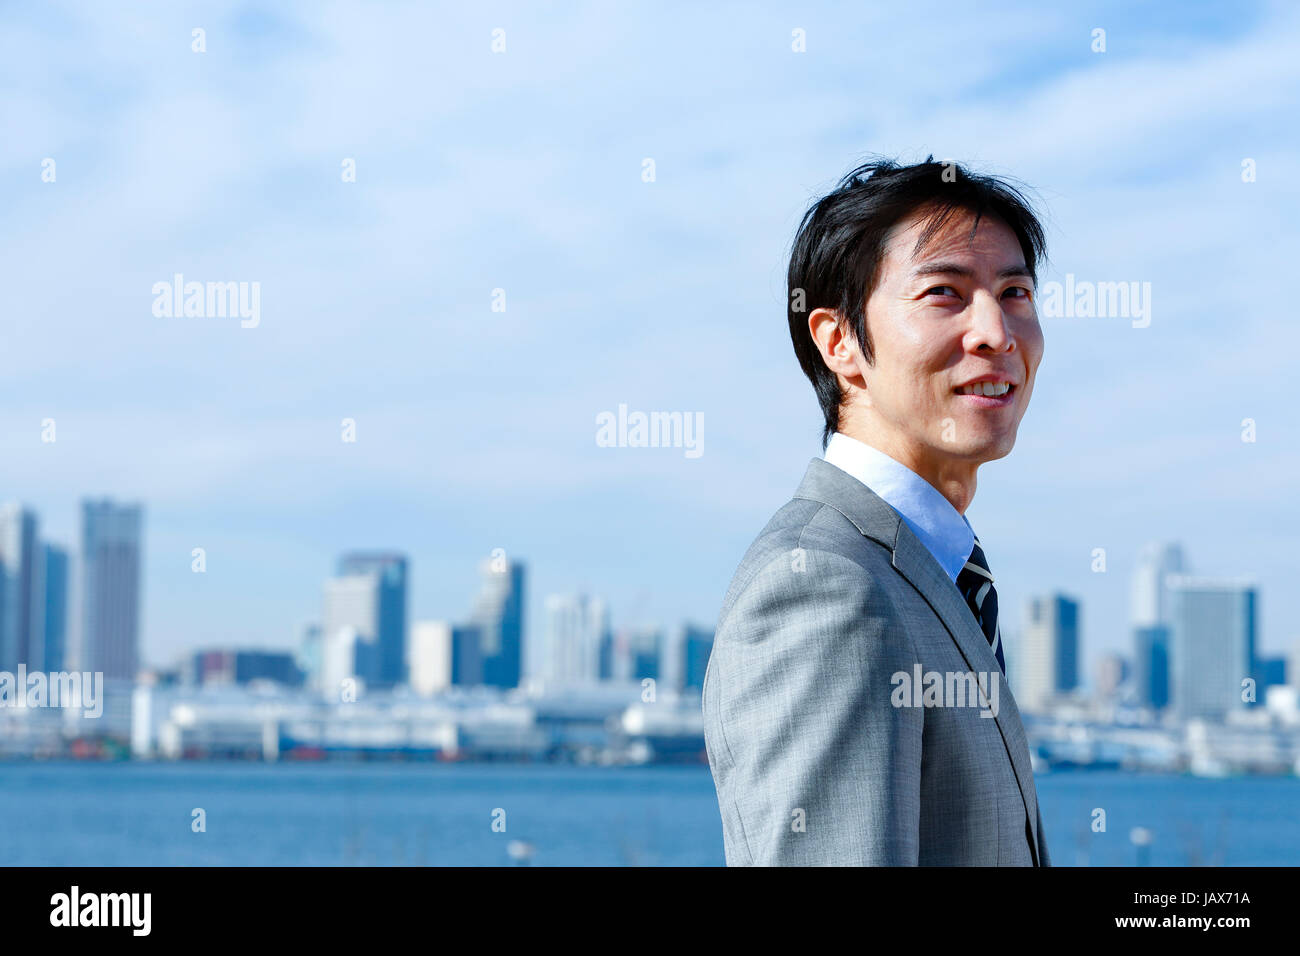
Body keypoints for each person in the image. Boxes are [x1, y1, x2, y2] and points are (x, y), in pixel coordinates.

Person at [703, 157, 1051, 865]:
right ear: (839, 344)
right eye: (944, 293)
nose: (997, 331)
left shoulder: (932, 571)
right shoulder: (826, 587)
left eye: (1015, 291)